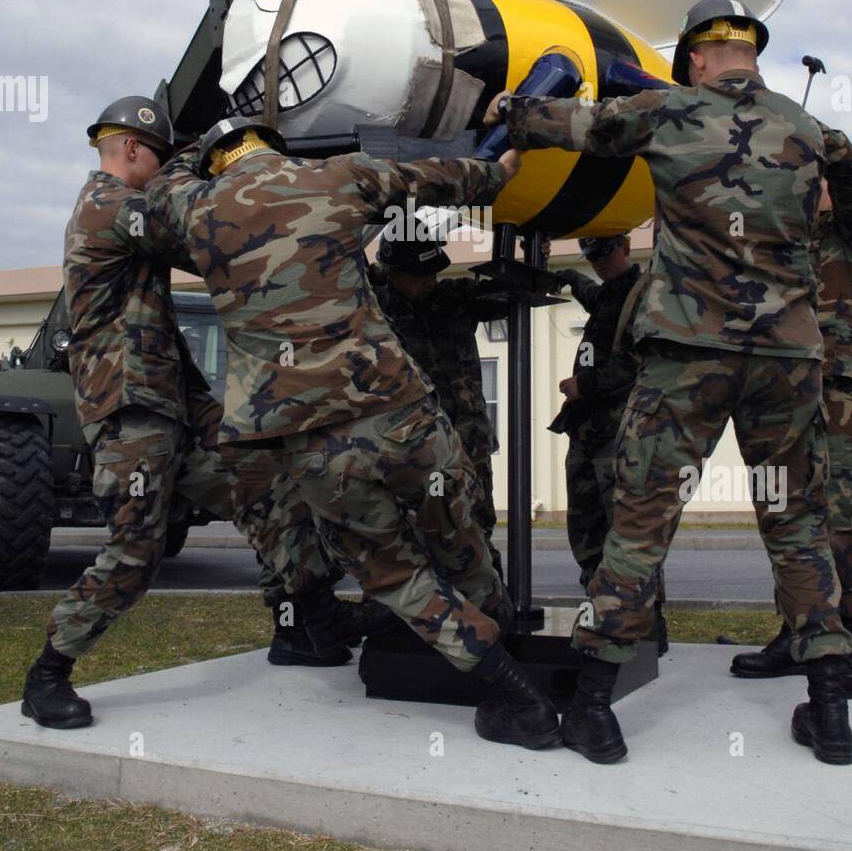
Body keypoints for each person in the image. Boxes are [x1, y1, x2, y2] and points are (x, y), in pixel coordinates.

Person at [485, 0, 852, 767]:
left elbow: (574, 125)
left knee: (642, 522)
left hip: (690, 355)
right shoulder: (814, 129)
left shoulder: (667, 111)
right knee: (797, 525)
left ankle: (592, 710)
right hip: (786, 360)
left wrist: (509, 108)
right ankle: (829, 712)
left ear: (693, 56)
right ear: (752, 51)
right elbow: (851, 216)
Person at [146, 117, 562, 751]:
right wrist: (494, 171)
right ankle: (503, 637)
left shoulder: (194, 208)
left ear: (214, 161)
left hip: (311, 443)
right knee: (460, 533)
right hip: (403, 415)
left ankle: (511, 693)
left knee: (393, 574)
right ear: (273, 145)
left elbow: (159, 191)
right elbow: (440, 180)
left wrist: (183, 159)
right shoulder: (337, 177)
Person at [20, 99, 352, 731]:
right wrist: (218, 167)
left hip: (172, 405)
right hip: (131, 410)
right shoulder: (108, 207)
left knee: (269, 489)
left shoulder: (124, 210)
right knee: (136, 550)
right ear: (136, 153)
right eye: (163, 158)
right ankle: (49, 672)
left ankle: (306, 622)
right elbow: (196, 229)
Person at [731, 129, 852, 698]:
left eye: (816, 180)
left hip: (845, 392)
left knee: (847, 520)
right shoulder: (785, 245)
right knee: (791, 517)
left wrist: (809, 135)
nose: (810, 187)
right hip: (786, 394)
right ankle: (800, 632)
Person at [551, 235, 667, 651]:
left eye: (603, 253)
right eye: (591, 257)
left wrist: (587, 384)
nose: (598, 263)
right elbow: (590, 292)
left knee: (626, 531)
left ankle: (647, 625)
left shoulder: (642, 294)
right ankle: (600, 615)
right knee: (586, 529)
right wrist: (564, 275)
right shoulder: (606, 295)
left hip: (619, 435)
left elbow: (639, 359)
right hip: (587, 432)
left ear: (622, 248)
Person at [367, 223, 505, 552]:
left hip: (468, 441)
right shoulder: (376, 309)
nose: (429, 279)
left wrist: (530, 261)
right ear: (393, 274)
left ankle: (485, 599)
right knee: (418, 537)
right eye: (418, 273)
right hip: (413, 447)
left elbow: (511, 293)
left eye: (434, 270)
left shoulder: (454, 297)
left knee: (476, 529)